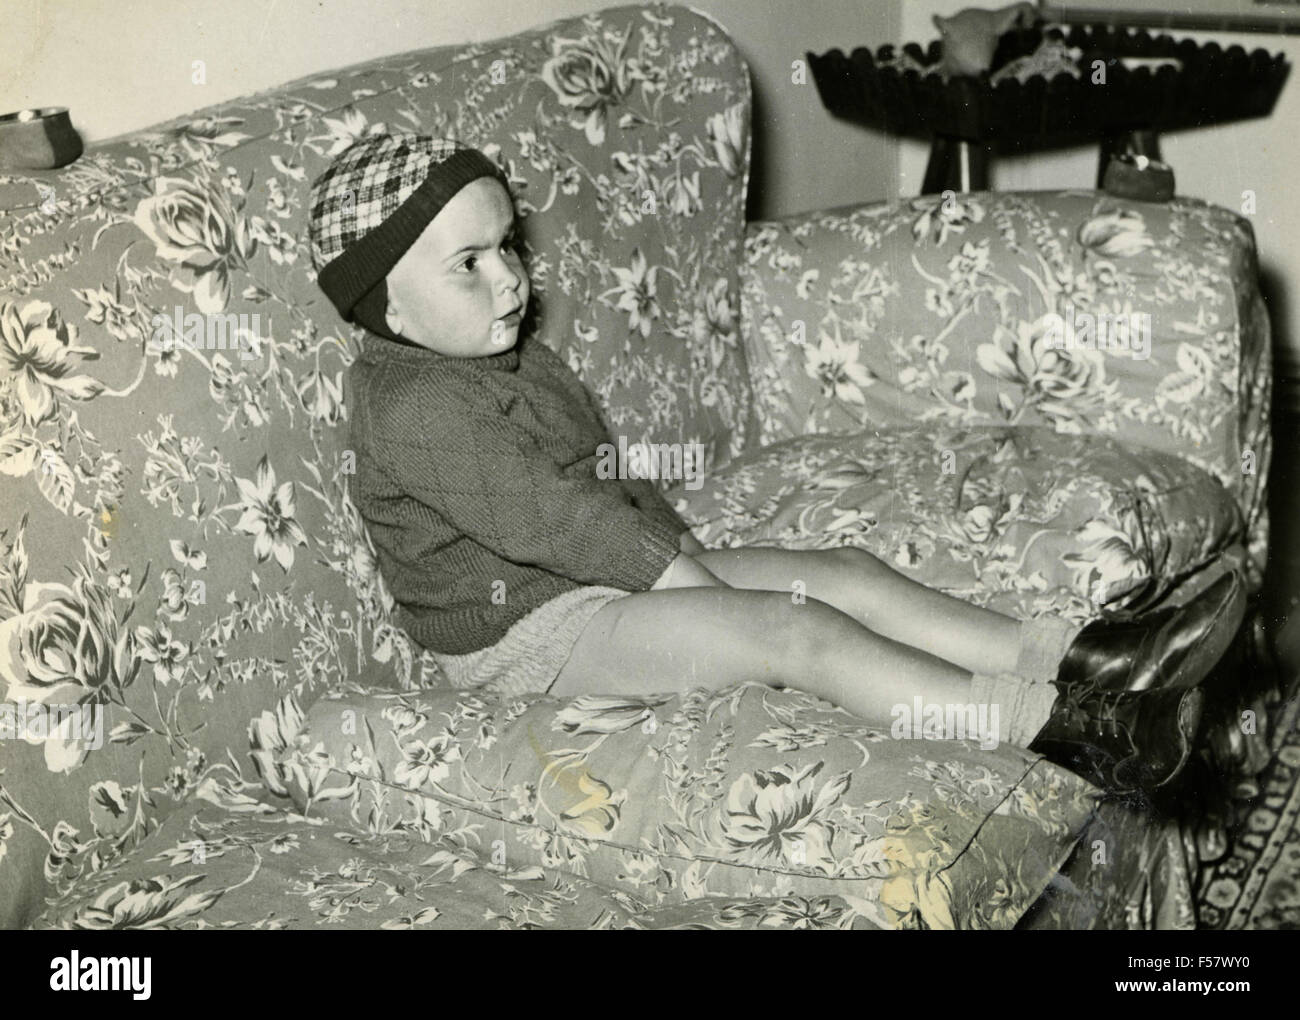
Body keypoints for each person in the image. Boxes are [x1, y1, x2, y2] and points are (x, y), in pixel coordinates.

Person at [309, 134, 1242, 792]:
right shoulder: (415, 410)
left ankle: (1090, 654)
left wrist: (677, 551)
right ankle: (1071, 731)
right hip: (524, 645)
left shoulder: (503, 355)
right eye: (467, 263)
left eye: (506, 244)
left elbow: (598, 482)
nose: (512, 276)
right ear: (385, 308)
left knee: (841, 574)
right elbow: (556, 517)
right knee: (794, 634)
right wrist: (695, 586)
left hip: (584, 584)